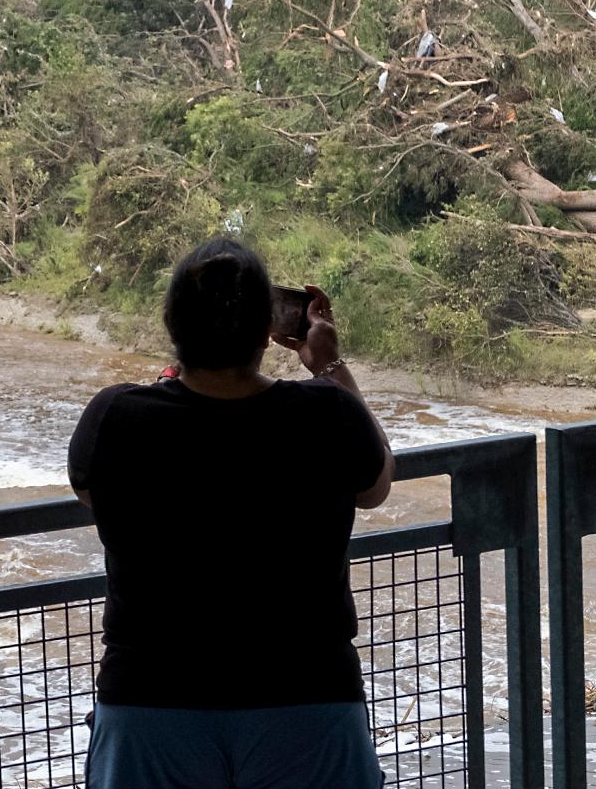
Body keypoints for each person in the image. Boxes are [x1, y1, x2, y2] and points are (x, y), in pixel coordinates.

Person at [68, 237, 394, 789]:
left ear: (172, 322)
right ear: (270, 327)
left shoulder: (115, 416)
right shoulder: (326, 413)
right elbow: (375, 485)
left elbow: (92, 495)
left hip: (151, 701)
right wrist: (329, 365)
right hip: (307, 698)